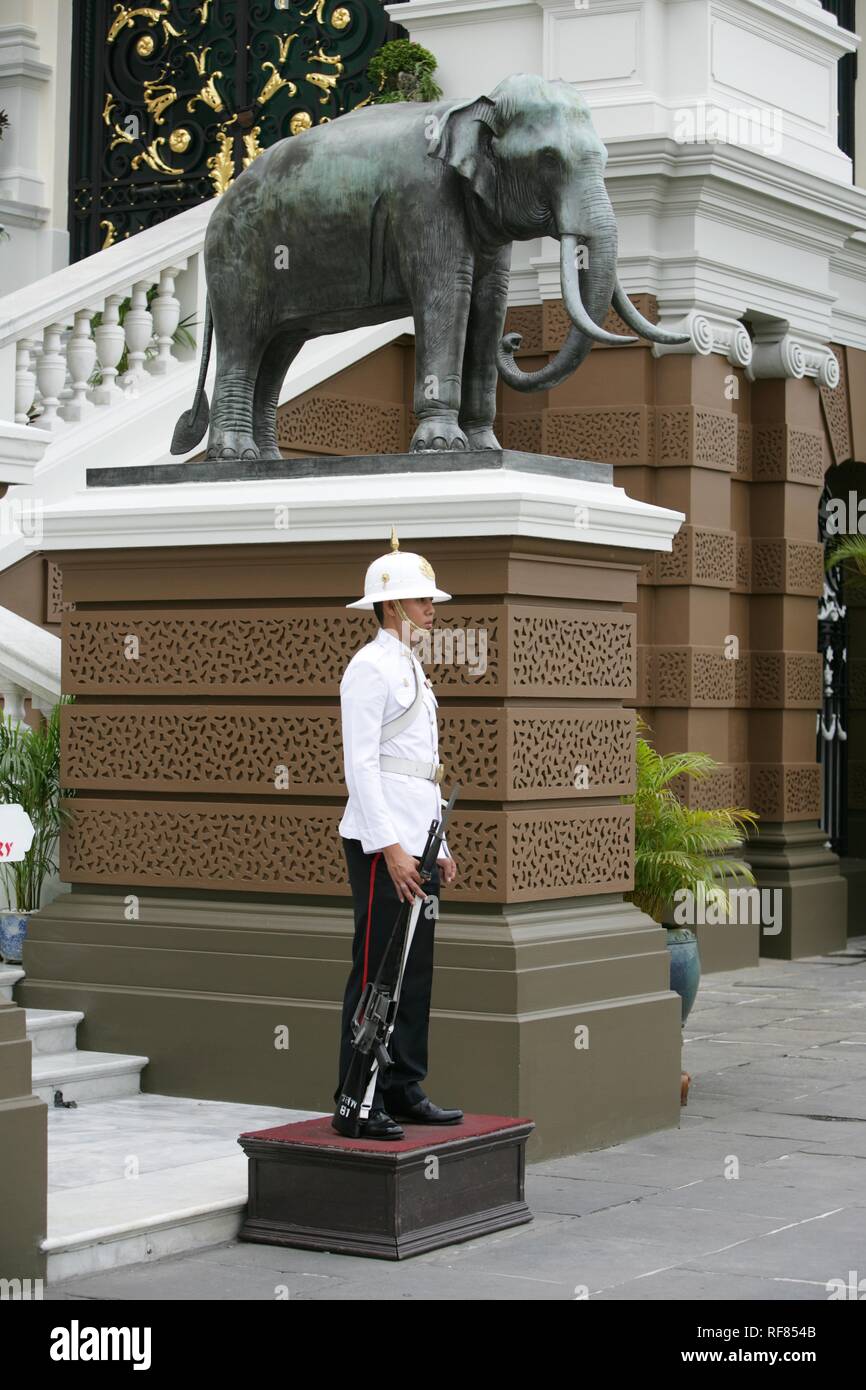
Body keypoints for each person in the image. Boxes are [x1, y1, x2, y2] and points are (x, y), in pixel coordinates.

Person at [333, 527, 464, 1139]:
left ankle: (403, 1084)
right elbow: (360, 766)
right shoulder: (369, 668)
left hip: (418, 841)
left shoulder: (410, 665)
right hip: (381, 842)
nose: (431, 611)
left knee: (415, 970)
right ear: (390, 607)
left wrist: (440, 847)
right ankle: (356, 1100)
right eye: (421, 601)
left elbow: (420, 766)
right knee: (376, 972)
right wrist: (389, 847)